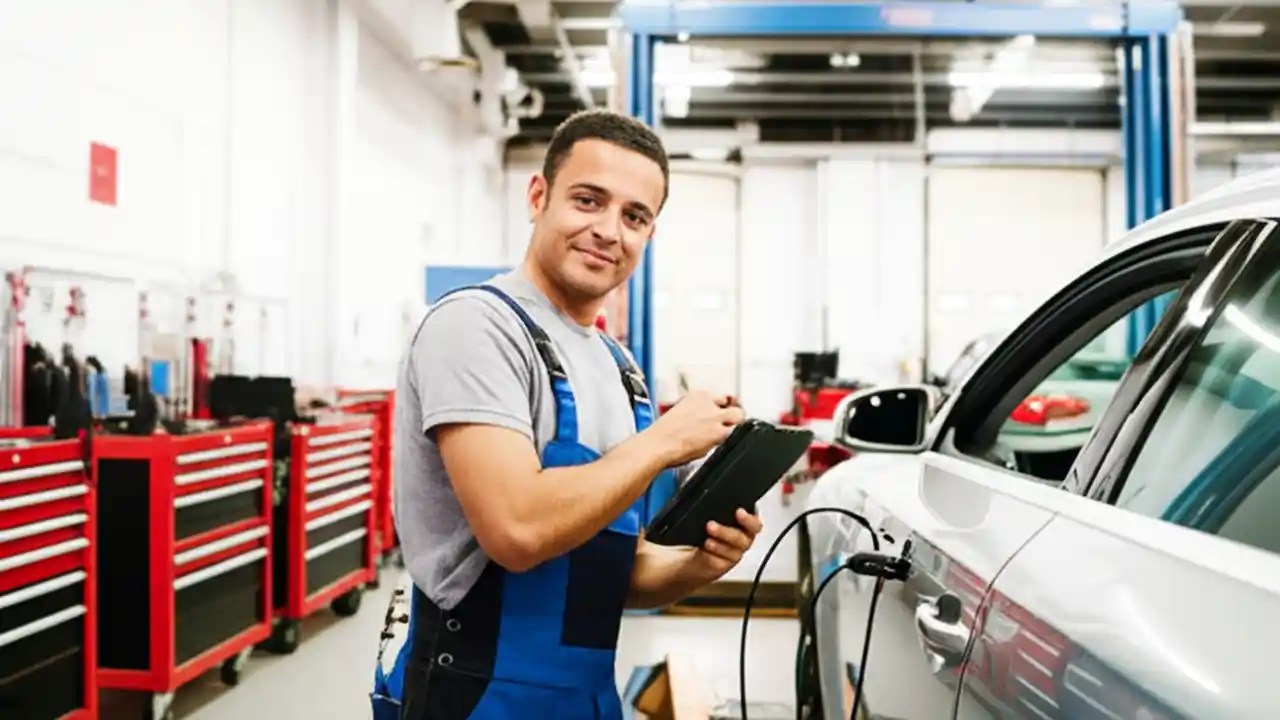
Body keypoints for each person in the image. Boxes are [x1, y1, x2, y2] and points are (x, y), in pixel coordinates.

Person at [380, 109, 763, 720]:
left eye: (634, 216)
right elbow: (518, 531)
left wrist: (697, 566)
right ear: (539, 196)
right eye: (588, 200)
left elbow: (610, 570)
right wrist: (662, 442)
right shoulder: (477, 326)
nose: (609, 230)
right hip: (477, 695)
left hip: (585, 696)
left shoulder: (620, 368)